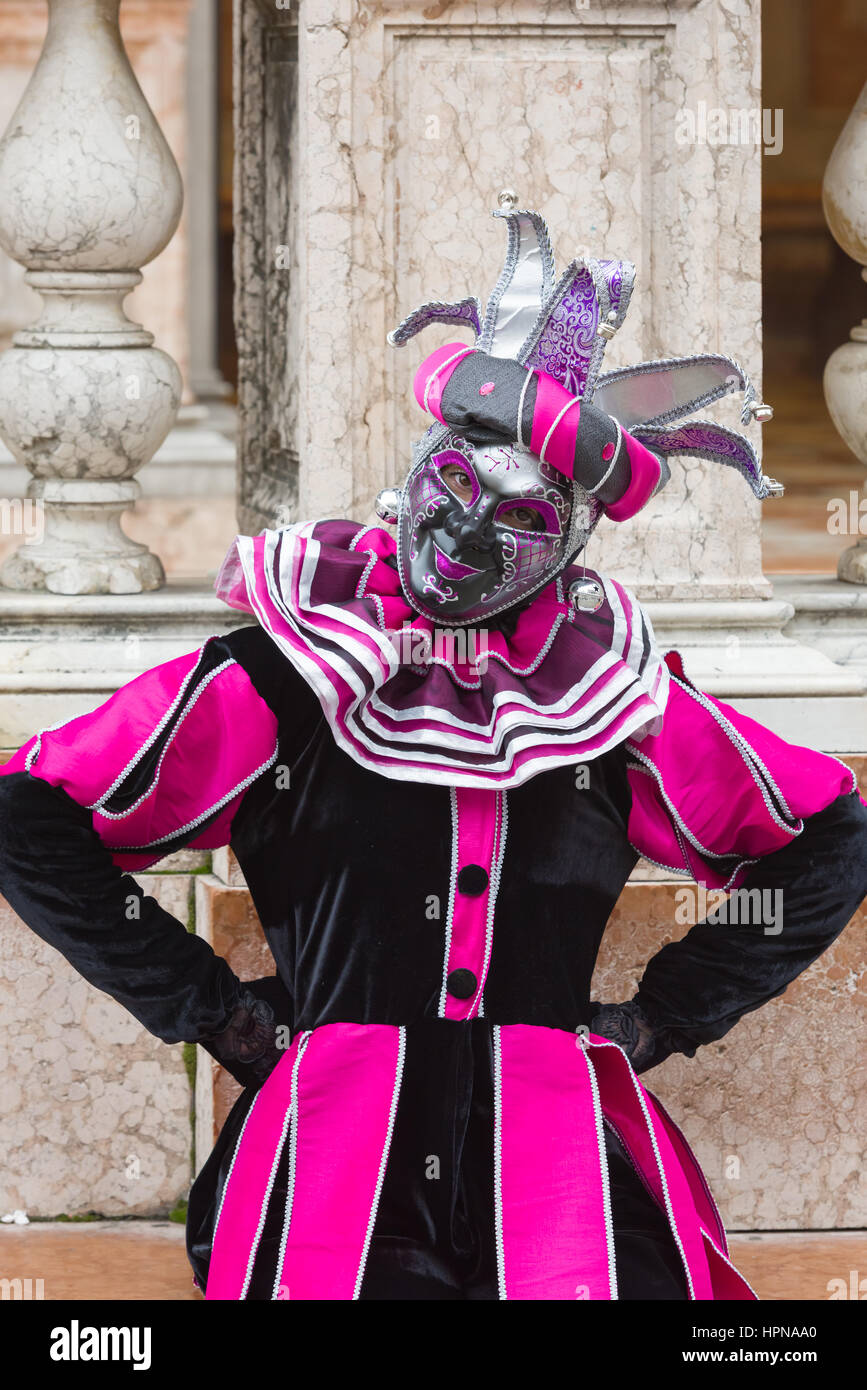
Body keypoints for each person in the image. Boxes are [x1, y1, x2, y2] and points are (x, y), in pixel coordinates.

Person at [1, 197, 864, 1301]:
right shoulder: (293, 674)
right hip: (328, 1145)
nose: (465, 534)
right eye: (458, 485)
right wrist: (216, 1011)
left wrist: (662, 1016)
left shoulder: (610, 700)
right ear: (420, 465)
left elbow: (825, 836)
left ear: (568, 546)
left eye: (519, 521)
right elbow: (33, 815)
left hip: (554, 1147)